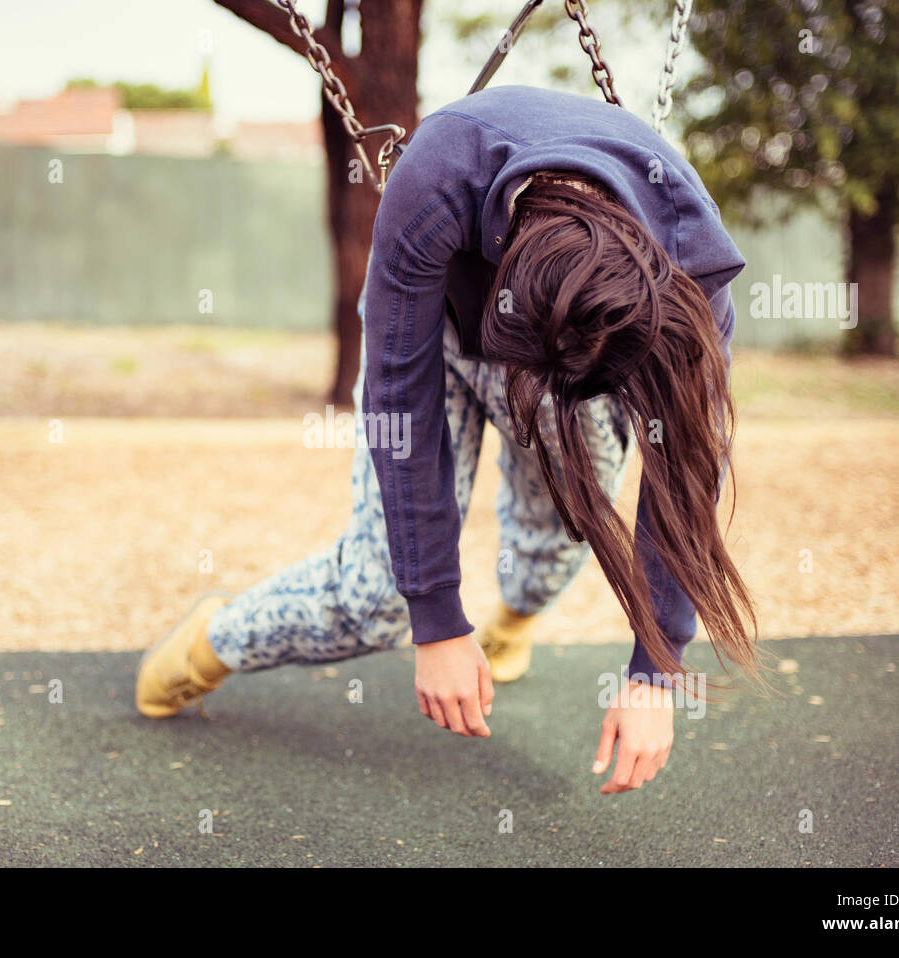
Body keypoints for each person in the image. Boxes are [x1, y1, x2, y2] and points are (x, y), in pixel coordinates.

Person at [136, 85, 765, 794]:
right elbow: (398, 403)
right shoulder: (440, 172)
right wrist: (434, 619)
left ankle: (512, 617)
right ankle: (212, 639)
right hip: (433, 329)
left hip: (579, 339)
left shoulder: (693, 270)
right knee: (376, 602)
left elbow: (685, 472)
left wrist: (657, 672)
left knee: (560, 546)